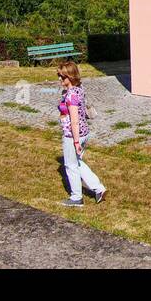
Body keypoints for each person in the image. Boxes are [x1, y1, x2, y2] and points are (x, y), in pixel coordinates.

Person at [56, 62, 104, 207]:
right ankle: (99, 188)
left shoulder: (71, 95)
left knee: (70, 165)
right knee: (77, 163)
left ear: (69, 77)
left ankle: (76, 197)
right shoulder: (79, 89)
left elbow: (74, 121)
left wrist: (75, 142)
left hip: (73, 135)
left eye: (61, 76)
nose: (59, 79)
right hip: (84, 132)